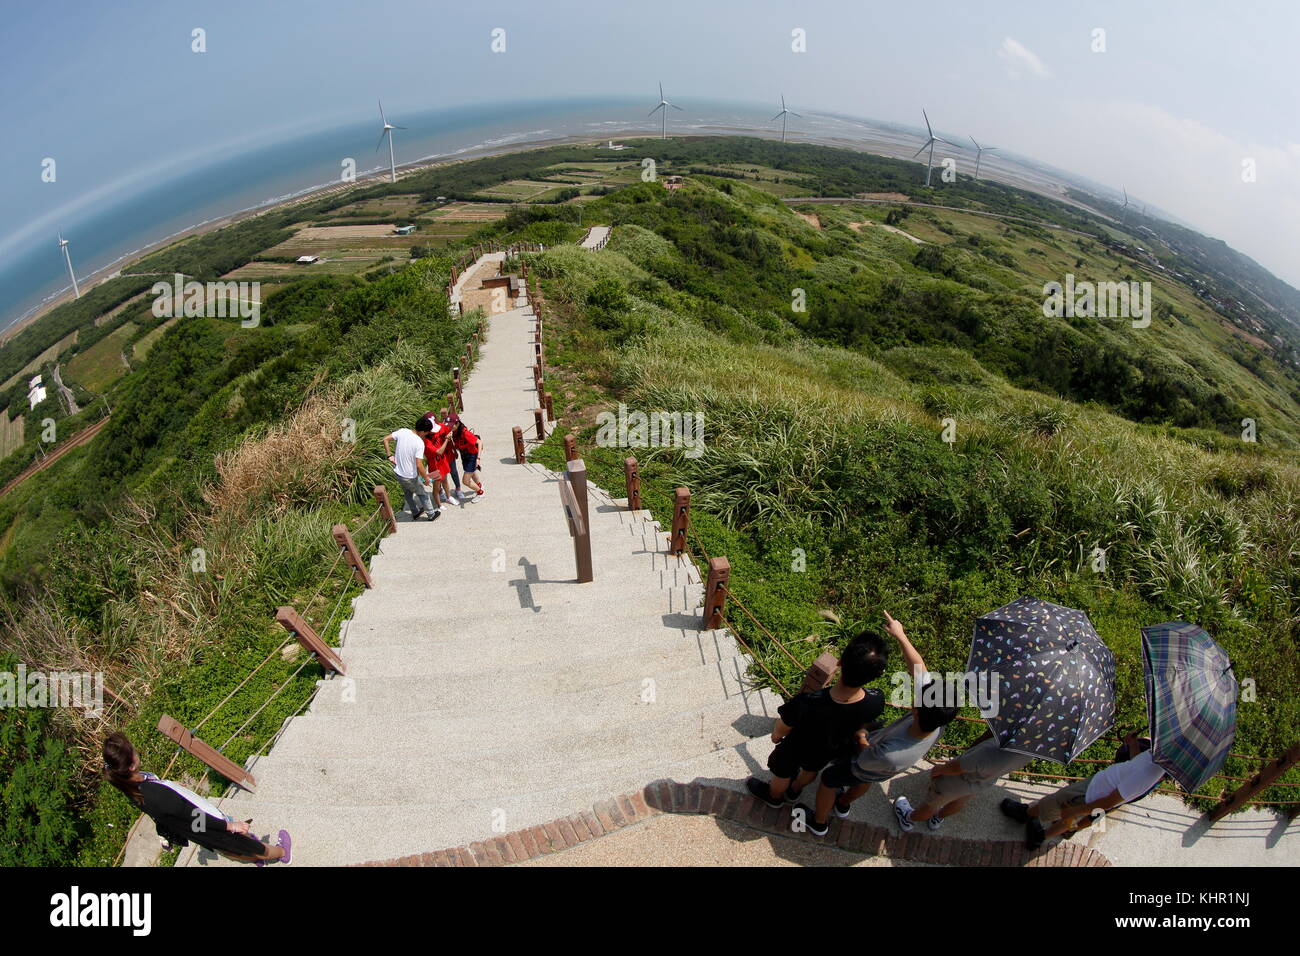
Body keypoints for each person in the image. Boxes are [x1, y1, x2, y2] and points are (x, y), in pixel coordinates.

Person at [809, 611, 958, 830]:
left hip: (867, 763)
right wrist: (900, 635)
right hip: (877, 768)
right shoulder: (937, 721)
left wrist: (861, 736)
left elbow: (864, 758)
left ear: (916, 710)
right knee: (864, 782)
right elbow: (919, 668)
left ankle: (819, 822)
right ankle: (843, 803)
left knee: (830, 780)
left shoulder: (892, 754)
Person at [745, 632, 889, 837]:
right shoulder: (876, 701)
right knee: (811, 769)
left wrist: (776, 736)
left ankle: (774, 796)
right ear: (874, 675)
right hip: (829, 749)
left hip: (795, 746)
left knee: (782, 771)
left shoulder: (808, 701)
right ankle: (795, 790)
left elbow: (783, 726)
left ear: (839, 663)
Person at [103, 732, 290, 865]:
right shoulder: (154, 795)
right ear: (130, 765)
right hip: (204, 826)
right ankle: (282, 853)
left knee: (232, 850)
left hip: (196, 829)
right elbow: (194, 816)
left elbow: (175, 811)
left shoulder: (132, 786)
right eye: (132, 750)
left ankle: (252, 855)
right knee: (251, 847)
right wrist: (228, 826)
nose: (135, 749)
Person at [999, 732, 1166, 849]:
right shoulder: (1158, 759)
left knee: (1056, 802)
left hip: (1092, 793)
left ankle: (1026, 814)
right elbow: (1134, 765)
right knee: (1075, 822)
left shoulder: (1150, 773)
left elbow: (1109, 801)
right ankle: (1041, 837)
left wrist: (1075, 809)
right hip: (1100, 790)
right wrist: (1133, 744)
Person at [894, 730, 1034, 833]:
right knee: (959, 802)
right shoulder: (1030, 753)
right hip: (983, 782)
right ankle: (938, 818)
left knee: (931, 804)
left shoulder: (991, 751)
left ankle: (909, 818)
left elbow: (958, 767)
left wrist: (940, 769)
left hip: (956, 782)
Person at [383, 420, 439, 521]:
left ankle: (415, 512)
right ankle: (431, 514)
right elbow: (419, 465)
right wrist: (426, 478)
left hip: (398, 472)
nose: (427, 434)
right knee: (422, 493)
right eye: (427, 432)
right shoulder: (419, 443)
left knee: (408, 493)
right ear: (422, 432)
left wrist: (389, 456)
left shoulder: (403, 431)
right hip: (409, 476)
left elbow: (385, 439)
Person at [447, 413, 484, 497]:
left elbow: (479, 442)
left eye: (452, 425)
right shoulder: (454, 432)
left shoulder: (465, 433)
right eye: (449, 425)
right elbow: (456, 445)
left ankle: (480, 492)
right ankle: (479, 485)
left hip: (472, 456)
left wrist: (478, 459)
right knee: (472, 473)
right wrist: (455, 451)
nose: (450, 427)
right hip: (464, 456)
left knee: (465, 481)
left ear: (458, 423)